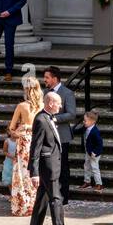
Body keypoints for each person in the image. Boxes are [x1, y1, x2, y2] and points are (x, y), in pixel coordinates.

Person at [27, 91, 72, 225]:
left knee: (42, 200)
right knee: (56, 200)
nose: (60, 106)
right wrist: (34, 173)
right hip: (48, 167)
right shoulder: (41, 119)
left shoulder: (49, 118)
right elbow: (35, 147)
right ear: (50, 103)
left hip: (52, 165)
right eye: (58, 103)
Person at [7, 75, 42, 216]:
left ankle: (23, 205)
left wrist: (18, 132)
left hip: (24, 142)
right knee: (35, 172)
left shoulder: (21, 106)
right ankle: (35, 204)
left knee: (22, 173)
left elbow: (11, 128)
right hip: (38, 140)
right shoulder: (42, 106)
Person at [43, 65, 77, 204]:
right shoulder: (45, 92)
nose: (44, 80)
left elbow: (72, 114)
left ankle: (64, 197)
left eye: (47, 77)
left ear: (55, 78)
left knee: (63, 167)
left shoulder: (67, 93)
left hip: (62, 136)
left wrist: (54, 118)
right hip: (47, 135)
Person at [79, 110, 104, 191]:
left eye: (85, 120)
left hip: (94, 153)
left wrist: (95, 152)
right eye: (83, 120)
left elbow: (100, 144)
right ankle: (87, 182)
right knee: (86, 166)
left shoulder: (95, 132)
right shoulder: (85, 128)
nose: (83, 122)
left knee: (95, 168)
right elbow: (79, 131)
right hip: (88, 151)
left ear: (92, 122)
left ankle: (99, 184)